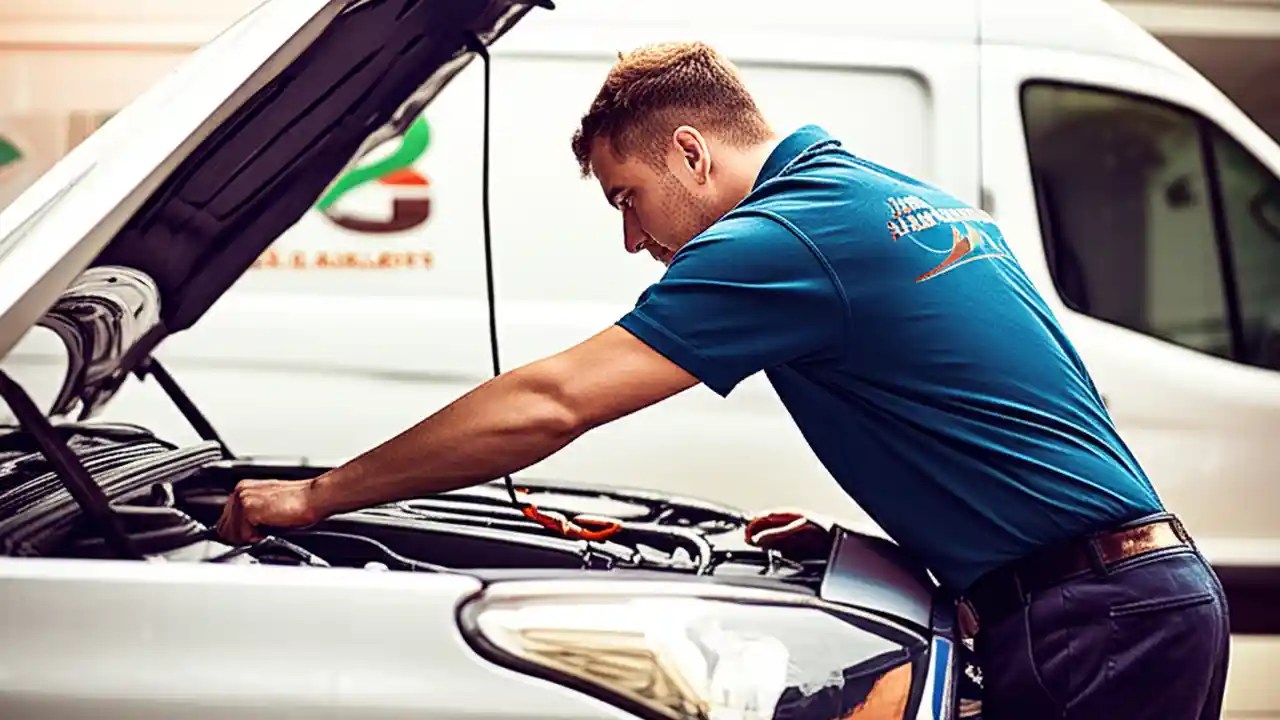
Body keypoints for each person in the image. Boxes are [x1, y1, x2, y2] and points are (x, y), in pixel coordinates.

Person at [217, 42, 1230, 718]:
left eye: (628, 198)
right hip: (1132, 597)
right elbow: (1016, 420)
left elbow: (551, 402)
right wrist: (896, 548)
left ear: (691, 152)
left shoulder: (778, 236)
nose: (631, 238)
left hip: (1095, 623)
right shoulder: (890, 197)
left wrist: (317, 496)